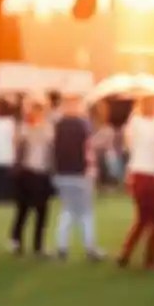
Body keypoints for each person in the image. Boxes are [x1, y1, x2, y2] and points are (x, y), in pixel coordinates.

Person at [51, 92, 102, 261]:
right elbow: (89, 150)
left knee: (67, 210)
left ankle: (62, 246)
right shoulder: (83, 125)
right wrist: (92, 169)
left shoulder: (58, 125)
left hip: (62, 174)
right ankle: (90, 247)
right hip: (80, 174)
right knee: (85, 212)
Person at [118, 94, 154, 269]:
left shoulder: (135, 123)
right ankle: (150, 257)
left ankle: (126, 253)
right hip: (150, 174)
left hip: (137, 173)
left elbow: (128, 144)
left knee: (143, 218)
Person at [9, 98, 54, 257]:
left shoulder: (48, 129)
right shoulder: (23, 129)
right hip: (26, 173)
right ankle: (16, 240)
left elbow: (51, 147)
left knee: (42, 211)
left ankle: (38, 245)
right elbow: (16, 147)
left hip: (42, 173)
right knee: (23, 209)